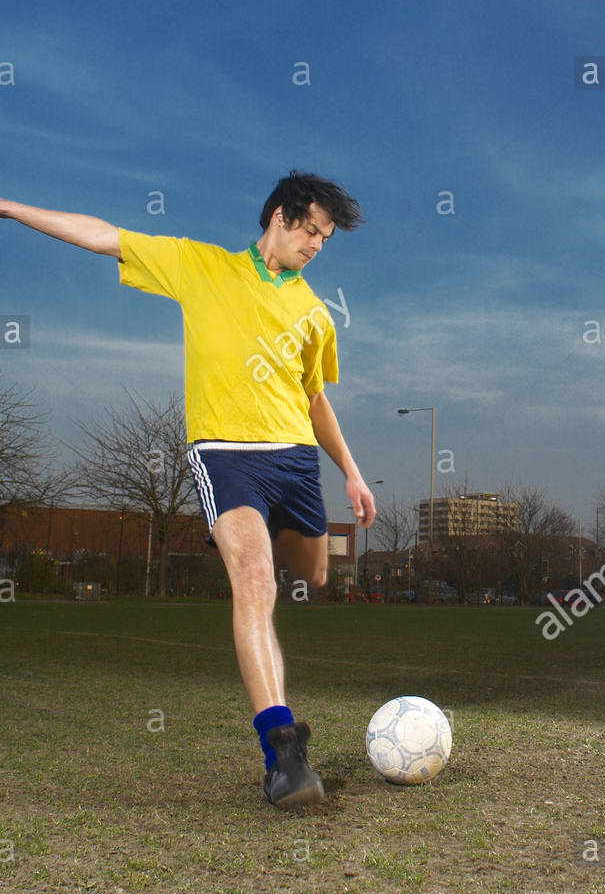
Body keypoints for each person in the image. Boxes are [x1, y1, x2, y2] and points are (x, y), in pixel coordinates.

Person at [0, 170, 377, 809]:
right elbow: (103, 237)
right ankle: (282, 754)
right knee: (256, 580)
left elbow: (315, 400)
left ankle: (281, 682)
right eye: (310, 230)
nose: (316, 245)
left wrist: (351, 469)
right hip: (226, 457)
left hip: (294, 459)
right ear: (279, 218)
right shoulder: (199, 266)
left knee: (312, 575)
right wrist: (9, 206)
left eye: (326, 238)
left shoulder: (313, 311)